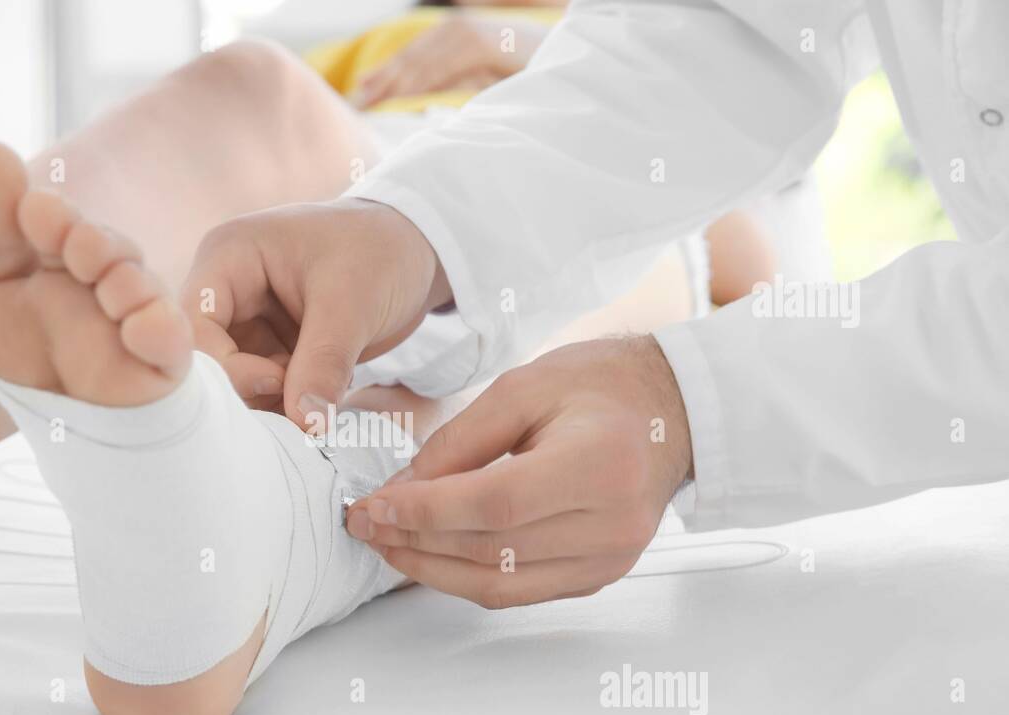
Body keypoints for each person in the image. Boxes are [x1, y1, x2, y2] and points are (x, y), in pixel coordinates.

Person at [0, 32, 717, 715]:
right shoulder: (369, 43)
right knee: (260, 125)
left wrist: (514, 49)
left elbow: (728, 180)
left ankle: (222, 516)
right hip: (362, 182)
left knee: (500, 338)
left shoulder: (647, 49)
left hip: (603, 223)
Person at [184, 0, 1009, 608]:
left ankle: (265, 533)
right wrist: (417, 227)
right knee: (244, 89)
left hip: (606, 235)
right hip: (420, 182)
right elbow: (728, 34)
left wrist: (684, 401)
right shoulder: (381, 47)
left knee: (259, 91)